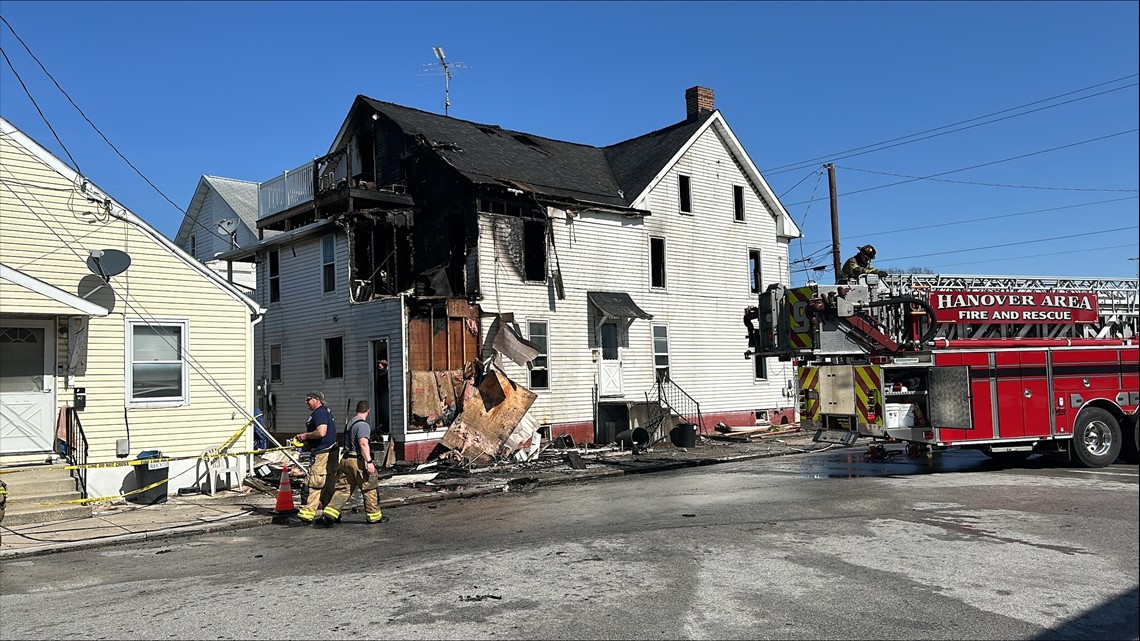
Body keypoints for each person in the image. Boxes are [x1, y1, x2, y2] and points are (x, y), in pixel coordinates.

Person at [315, 400, 389, 527]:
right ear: (368, 411)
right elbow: (363, 443)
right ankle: (374, 517)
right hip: (357, 460)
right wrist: (369, 462)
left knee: (343, 489)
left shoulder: (350, 423)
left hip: (345, 459)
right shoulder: (363, 425)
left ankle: (328, 516)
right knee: (369, 487)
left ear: (356, 410)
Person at [293, 391, 339, 524]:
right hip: (331, 450)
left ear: (317, 400)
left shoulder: (319, 413)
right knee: (330, 481)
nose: (306, 402)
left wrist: (305, 436)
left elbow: (321, 432)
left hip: (322, 452)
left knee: (315, 481)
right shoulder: (326, 412)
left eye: (308, 399)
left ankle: (307, 514)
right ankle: (330, 513)